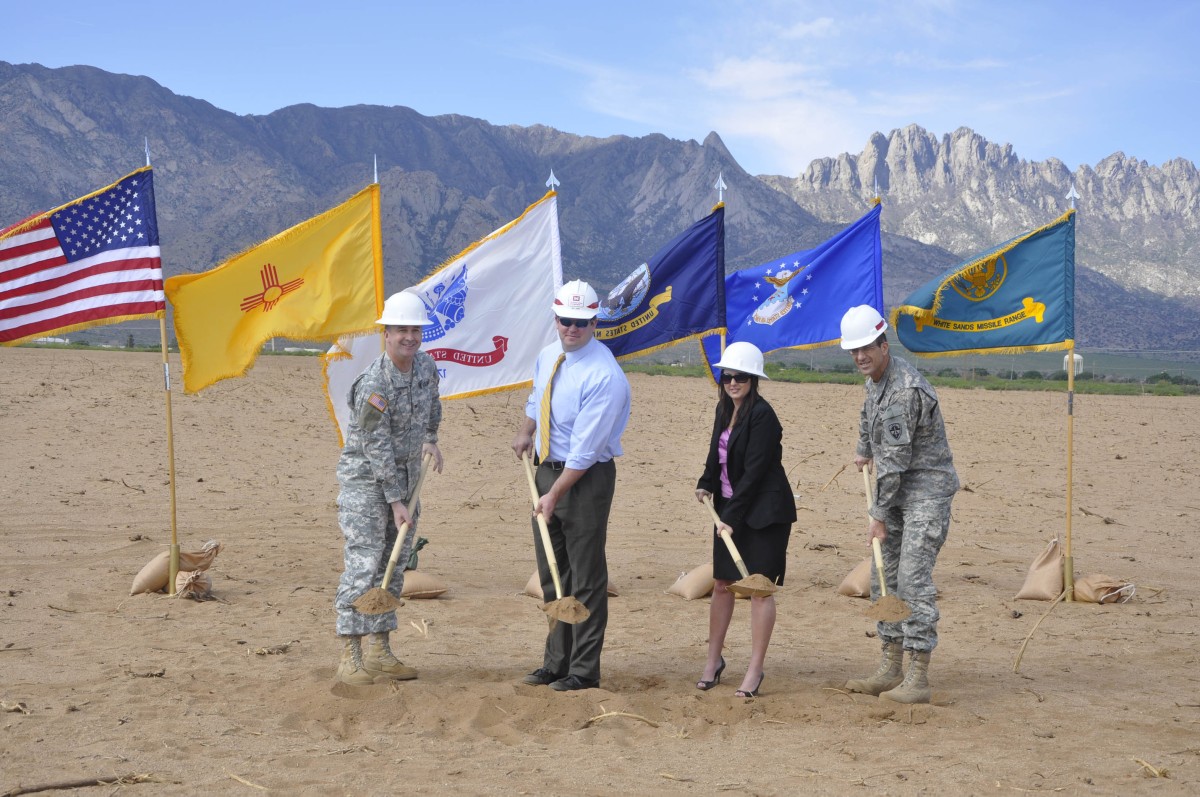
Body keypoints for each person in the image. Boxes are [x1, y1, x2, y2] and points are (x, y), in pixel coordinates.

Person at [511, 279, 631, 692]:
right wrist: (527, 431)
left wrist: (555, 493)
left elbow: (584, 452)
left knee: (585, 577)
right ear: (556, 318)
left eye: (581, 322)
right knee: (552, 573)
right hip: (546, 470)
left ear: (595, 321)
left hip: (584, 481)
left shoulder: (604, 376)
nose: (572, 329)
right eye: (565, 320)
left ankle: (583, 669)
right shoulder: (549, 356)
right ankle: (555, 662)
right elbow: (536, 397)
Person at [839, 305, 959, 704]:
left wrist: (877, 516)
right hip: (896, 491)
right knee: (881, 579)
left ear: (883, 345)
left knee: (911, 580)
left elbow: (892, 464)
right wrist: (861, 448)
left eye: (866, 349)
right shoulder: (875, 381)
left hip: (924, 490)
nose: (859, 357)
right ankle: (890, 666)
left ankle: (918, 675)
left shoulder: (904, 390)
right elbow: (866, 414)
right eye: (853, 351)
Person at [333, 291, 445, 686]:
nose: (409, 337)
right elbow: (374, 445)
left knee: (394, 565)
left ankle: (380, 649)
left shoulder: (426, 368)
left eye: (414, 330)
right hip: (367, 482)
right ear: (387, 333)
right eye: (401, 329)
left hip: (407, 482)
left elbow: (433, 405)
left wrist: (430, 438)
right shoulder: (374, 384)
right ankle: (351, 651)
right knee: (364, 564)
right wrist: (396, 501)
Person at [694, 342, 796, 698]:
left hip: (764, 515)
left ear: (753, 379)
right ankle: (713, 661)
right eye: (727, 376)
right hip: (729, 511)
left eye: (740, 377)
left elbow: (754, 473)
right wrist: (706, 483)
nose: (733, 382)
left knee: (758, 589)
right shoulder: (725, 408)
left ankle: (754, 670)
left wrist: (730, 519)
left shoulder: (764, 416)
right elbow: (715, 454)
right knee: (722, 583)